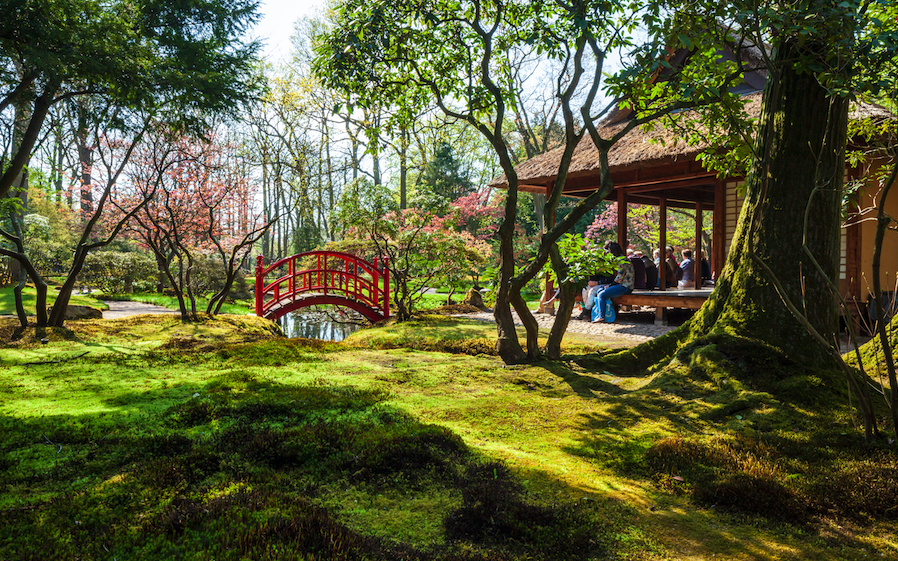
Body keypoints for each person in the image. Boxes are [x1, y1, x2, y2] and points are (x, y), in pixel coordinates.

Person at [592, 241, 634, 323]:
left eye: (609, 251)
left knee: (601, 294)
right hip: (623, 285)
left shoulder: (621, 261)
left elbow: (619, 278)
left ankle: (602, 317)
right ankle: (603, 313)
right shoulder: (621, 259)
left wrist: (610, 285)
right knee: (600, 290)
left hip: (625, 286)